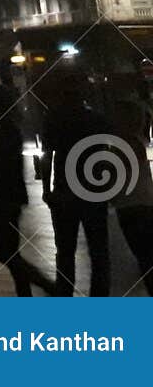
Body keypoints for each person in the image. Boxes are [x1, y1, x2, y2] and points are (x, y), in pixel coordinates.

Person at [0, 84, 57, 296]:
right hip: (9, 196)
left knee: (4, 252)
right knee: (9, 252)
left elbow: (0, 166)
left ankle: (50, 287)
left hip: (4, 198)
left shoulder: (5, 130)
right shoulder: (6, 127)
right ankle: (26, 295)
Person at [39, 76, 115, 296]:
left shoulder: (53, 119)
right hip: (93, 191)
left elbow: (47, 156)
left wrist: (46, 190)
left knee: (65, 251)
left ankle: (64, 295)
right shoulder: (97, 119)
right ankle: (99, 299)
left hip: (63, 191)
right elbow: (107, 155)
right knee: (99, 251)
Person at [110, 98, 153, 295]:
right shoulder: (135, 142)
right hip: (144, 203)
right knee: (146, 257)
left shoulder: (122, 145)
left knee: (144, 257)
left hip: (130, 207)